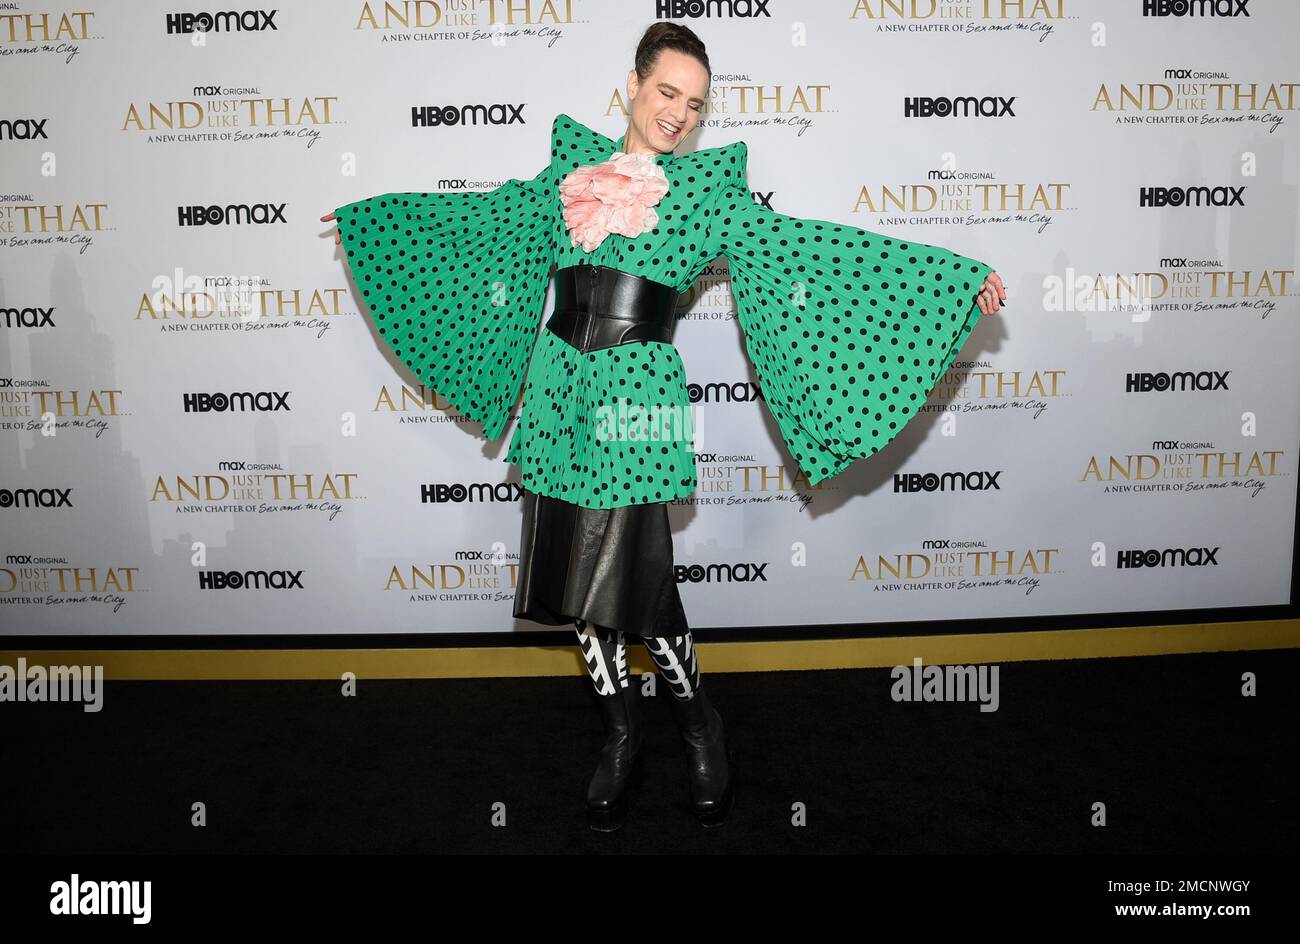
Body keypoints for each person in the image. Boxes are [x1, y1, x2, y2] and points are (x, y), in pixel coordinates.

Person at [322, 22, 1006, 833]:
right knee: (577, 589)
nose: (678, 113)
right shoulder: (566, 176)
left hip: (634, 393)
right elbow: (484, 225)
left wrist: (956, 278)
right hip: (557, 392)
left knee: (641, 578)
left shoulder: (708, 197)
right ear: (634, 86)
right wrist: (376, 224)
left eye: (694, 102)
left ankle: (697, 725)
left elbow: (807, 248)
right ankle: (619, 734)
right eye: (666, 92)